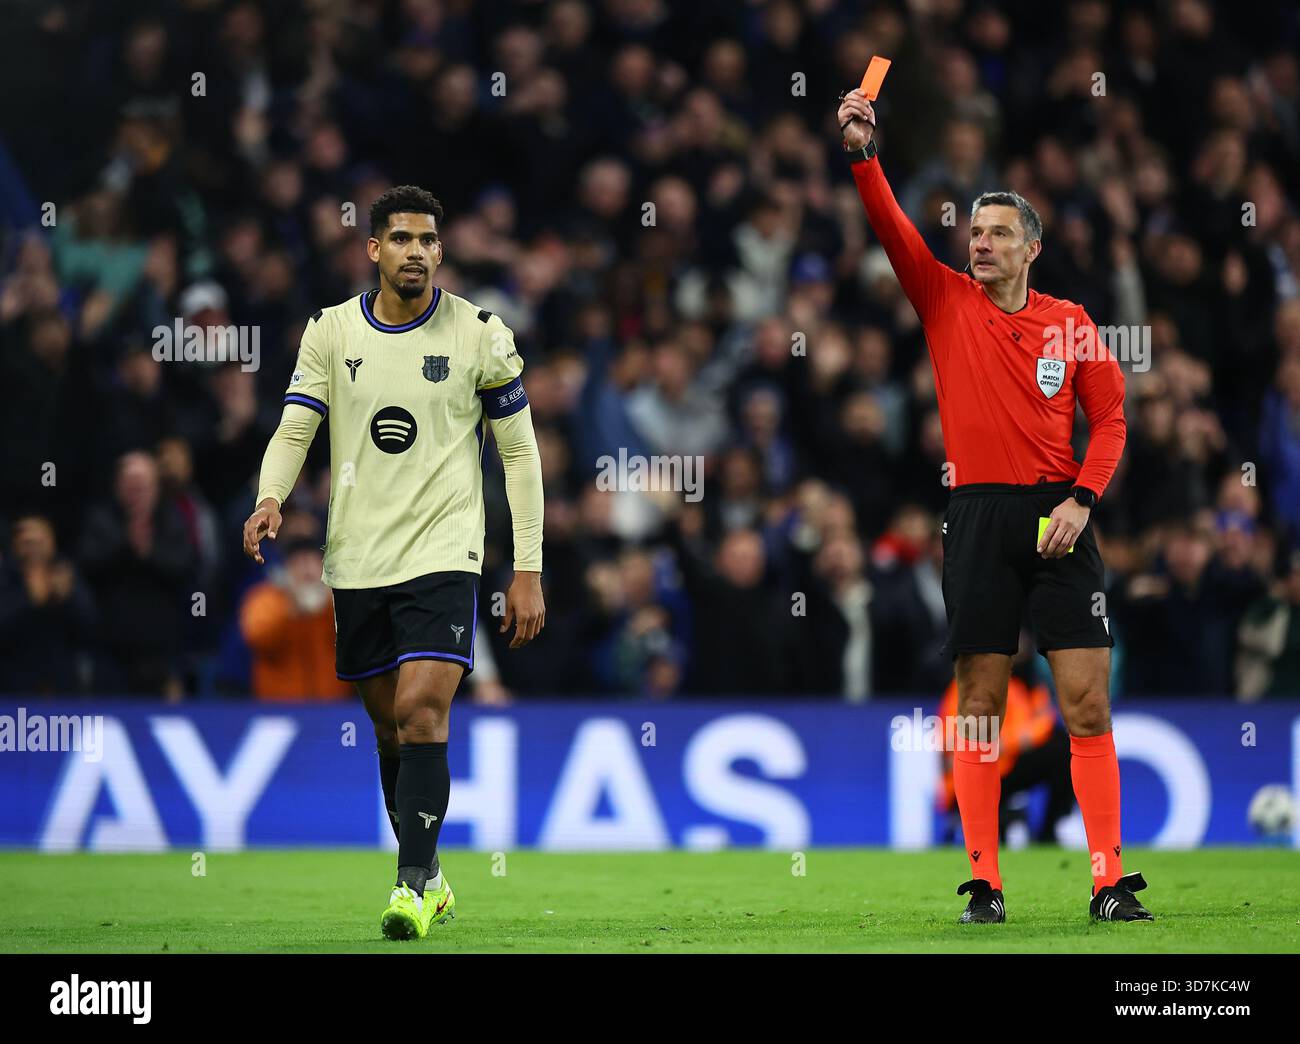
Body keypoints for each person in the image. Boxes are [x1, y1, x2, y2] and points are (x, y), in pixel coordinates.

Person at [837, 89, 1150, 923]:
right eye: (975, 232)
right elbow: (893, 229)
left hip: (1061, 516)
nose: (980, 243)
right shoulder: (944, 301)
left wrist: (1084, 499)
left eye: (999, 232)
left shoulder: (1072, 324)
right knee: (979, 702)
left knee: (1086, 699)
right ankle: (984, 880)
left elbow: (1114, 420)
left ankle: (1108, 881)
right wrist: (865, 155)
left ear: (1032, 248)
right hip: (975, 516)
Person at [241, 186, 545, 941]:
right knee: (388, 731)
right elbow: (294, 427)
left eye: (428, 240)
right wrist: (270, 497)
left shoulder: (480, 334)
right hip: (357, 557)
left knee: (421, 711)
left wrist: (529, 566)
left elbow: (521, 455)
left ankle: (408, 886)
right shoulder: (330, 332)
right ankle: (434, 875)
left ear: (442, 252)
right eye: (400, 239)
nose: (416, 251)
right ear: (372, 249)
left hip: (446, 552)